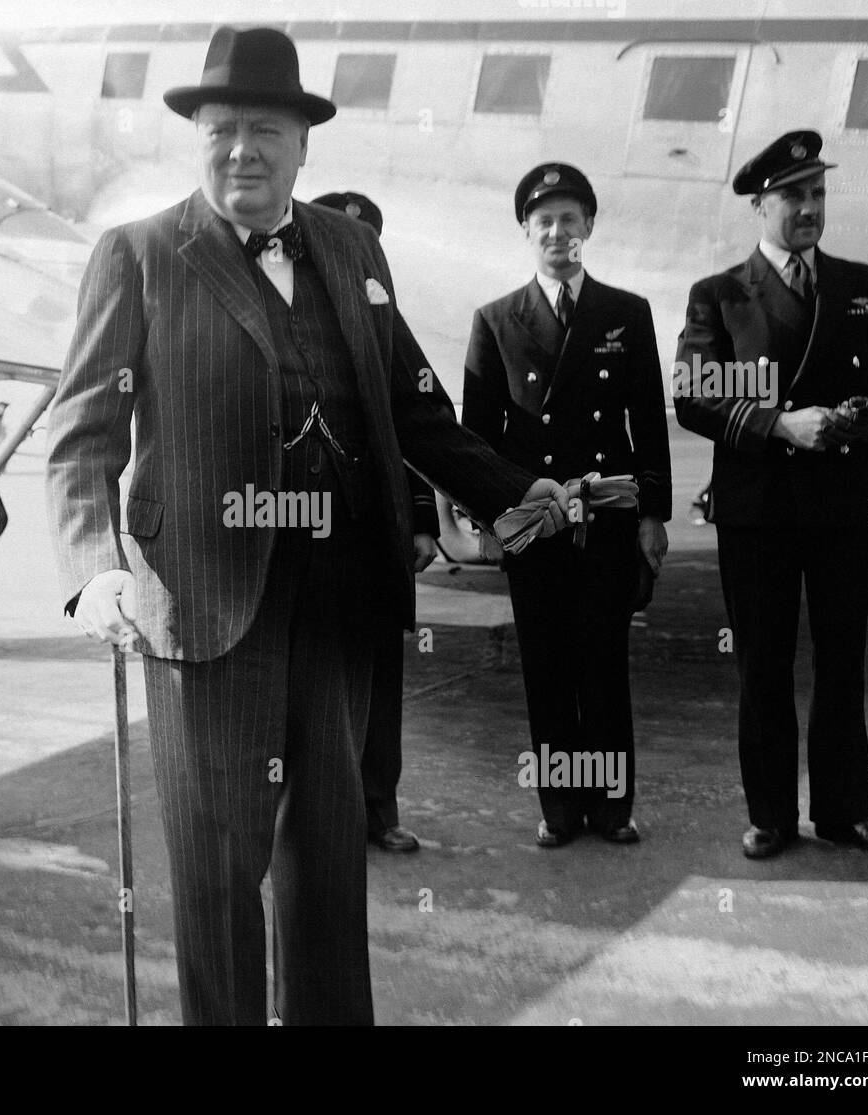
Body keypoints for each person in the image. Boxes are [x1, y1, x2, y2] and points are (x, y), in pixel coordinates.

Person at [46, 26, 568, 1025]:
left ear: (302, 145)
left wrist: (520, 489)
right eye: (224, 129)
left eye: (266, 131)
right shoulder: (141, 256)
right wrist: (92, 570)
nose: (243, 149)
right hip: (202, 604)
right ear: (196, 139)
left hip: (341, 606)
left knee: (328, 860)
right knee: (216, 868)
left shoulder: (349, 248)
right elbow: (82, 434)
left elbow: (413, 409)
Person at [674, 131, 868, 859]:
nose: (809, 209)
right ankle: (771, 815)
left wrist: (863, 415)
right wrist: (783, 423)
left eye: (818, 194)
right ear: (759, 204)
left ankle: (846, 812)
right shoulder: (721, 295)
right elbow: (695, 393)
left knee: (843, 660)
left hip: (845, 503)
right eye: (793, 196)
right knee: (764, 665)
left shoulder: (862, 287)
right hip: (758, 509)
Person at [463, 163, 672, 848]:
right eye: (545, 219)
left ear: (588, 229)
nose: (558, 231)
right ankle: (559, 809)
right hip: (537, 522)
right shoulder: (495, 320)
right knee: (547, 668)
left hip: (608, 517)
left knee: (604, 665)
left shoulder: (626, 313)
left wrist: (652, 515)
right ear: (527, 229)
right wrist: (497, 525)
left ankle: (612, 808)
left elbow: (648, 423)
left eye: (570, 219)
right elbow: (479, 438)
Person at [311, 190, 430, 855]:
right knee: (316, 688)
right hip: (310, 538)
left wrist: (418, 521)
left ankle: (379, 812)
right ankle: (318, 817)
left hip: (376, 538)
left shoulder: (388, 330)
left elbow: (416, 431)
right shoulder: (289, 323)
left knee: (381, 685)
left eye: (368, 243)